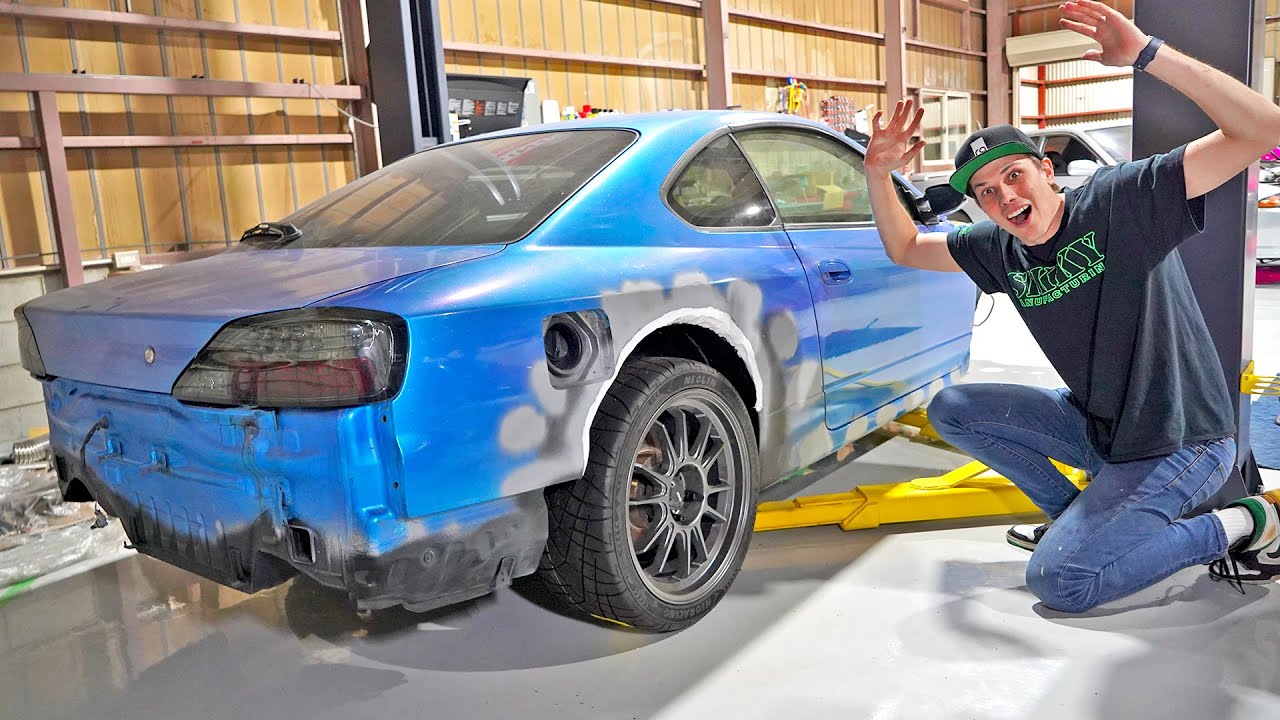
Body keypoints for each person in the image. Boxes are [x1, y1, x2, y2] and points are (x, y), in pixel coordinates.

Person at [863, 0, 1280, 613]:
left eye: (1013, 175)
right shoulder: (996, 248)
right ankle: (1076, 521)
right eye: (985, 191)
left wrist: (1147, 54)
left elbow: (1263, 131)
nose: (1003, 195)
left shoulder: (1122, 202)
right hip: (1105, 430)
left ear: (1047, 172)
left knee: (1062, 583)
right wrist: (876, 171)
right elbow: (904, 247)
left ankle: (1247, 524)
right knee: (954, 408)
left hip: (1183, 438)